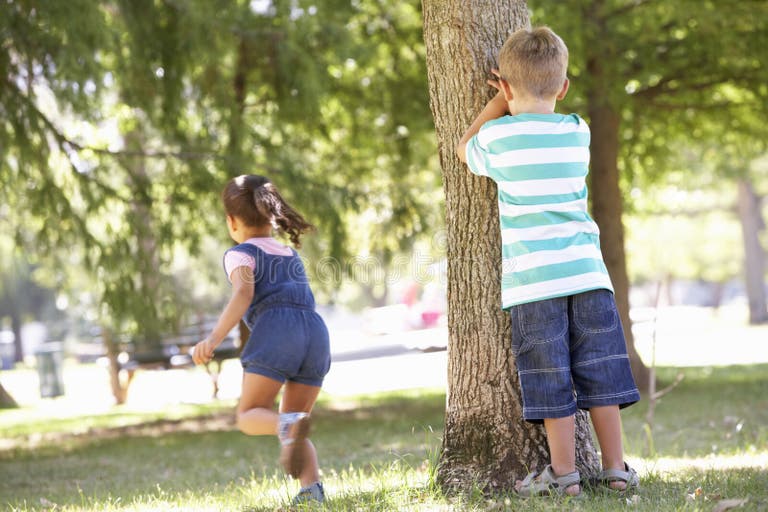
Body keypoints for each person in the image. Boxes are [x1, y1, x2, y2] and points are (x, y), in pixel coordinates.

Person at [456, 27, 641, 497]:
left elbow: (464, 148)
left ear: (504, 85)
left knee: (549, 376)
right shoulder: (577, 130)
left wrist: (498, 102)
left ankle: (564, 475)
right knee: (600, 369)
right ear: (563, 88)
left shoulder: (498, 138)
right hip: (587, 274)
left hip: (534, 285)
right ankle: (616, 469)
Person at [192, 174, 330, 505]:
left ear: (231, 221)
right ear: (271, 212)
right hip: (315, 333)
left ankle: (289, 427)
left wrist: (212, 338)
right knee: (293, 423)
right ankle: (311, 491)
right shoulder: (288, 253)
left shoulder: (240, 254)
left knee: (251, 414)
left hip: (277, 330)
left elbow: (243, 293)